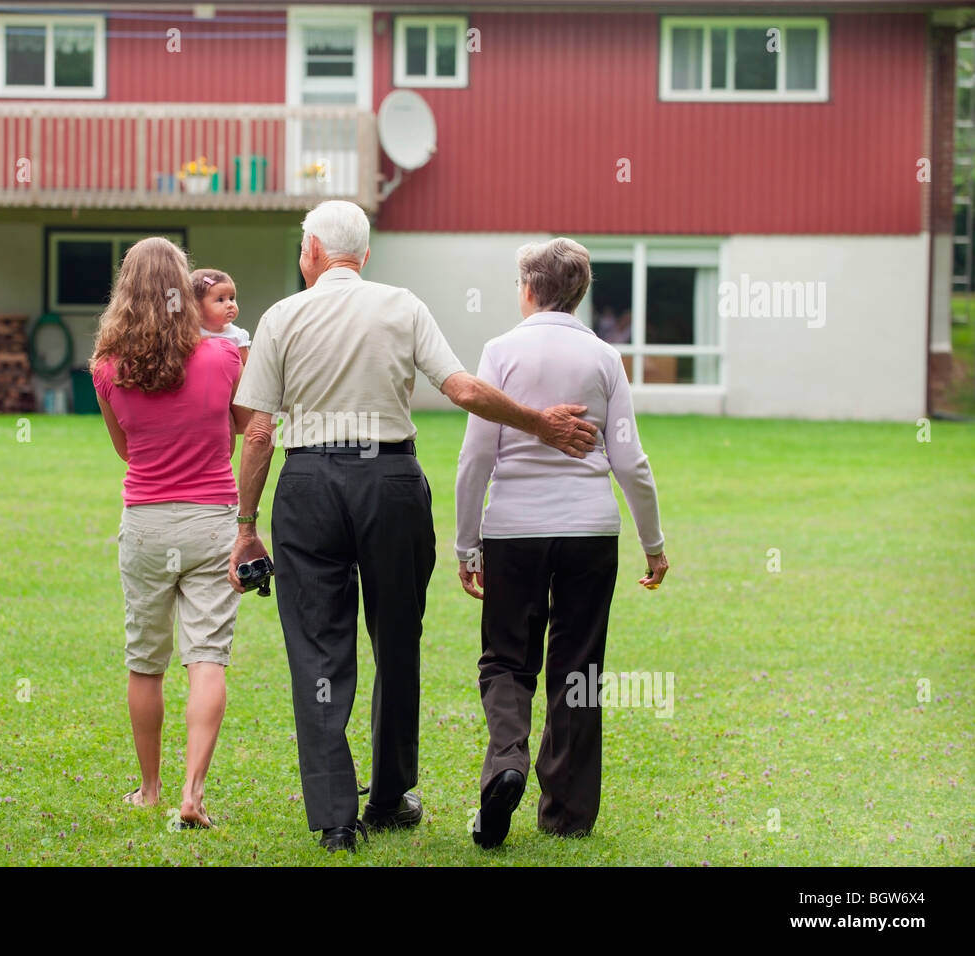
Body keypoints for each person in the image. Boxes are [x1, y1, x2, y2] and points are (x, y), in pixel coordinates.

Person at [227, 200, 600, 853]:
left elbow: (257, 429)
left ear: (311, 249)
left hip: (308, 483)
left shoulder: (282, 317)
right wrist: (541, 423)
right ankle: (392, 793)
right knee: (396, 638)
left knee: (318, 651)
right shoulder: (401, 305)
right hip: (392, 485)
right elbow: (461, 390)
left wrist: (246, 524)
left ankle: (337, 818)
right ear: (364, 256)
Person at [455, 237, 668, 849]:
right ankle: (568, 813)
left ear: (527, 288)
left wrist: (468, 546)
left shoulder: (499, 351)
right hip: (589, 531)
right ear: (579, 292)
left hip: (514, 531)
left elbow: (476, 457)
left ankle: (506, 765)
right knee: (579, 669)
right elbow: (630, 460)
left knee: (506, 659)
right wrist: (652, 542)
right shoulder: (605, 358)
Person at [92, 238, 250, 829]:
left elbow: (125, 449)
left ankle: (151, 788)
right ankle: (193, 791)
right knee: (207, 658)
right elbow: (246, 426)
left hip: (146, 522)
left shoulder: (107, 368)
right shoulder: (224, 358)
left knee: (145, 661)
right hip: (213, 519)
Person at [191, 268, 250, 364]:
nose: (230, 304)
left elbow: (248, 367)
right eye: (220, 300)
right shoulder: (192, 333)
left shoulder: (237, 336)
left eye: (231, 298)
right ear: (198, 306)